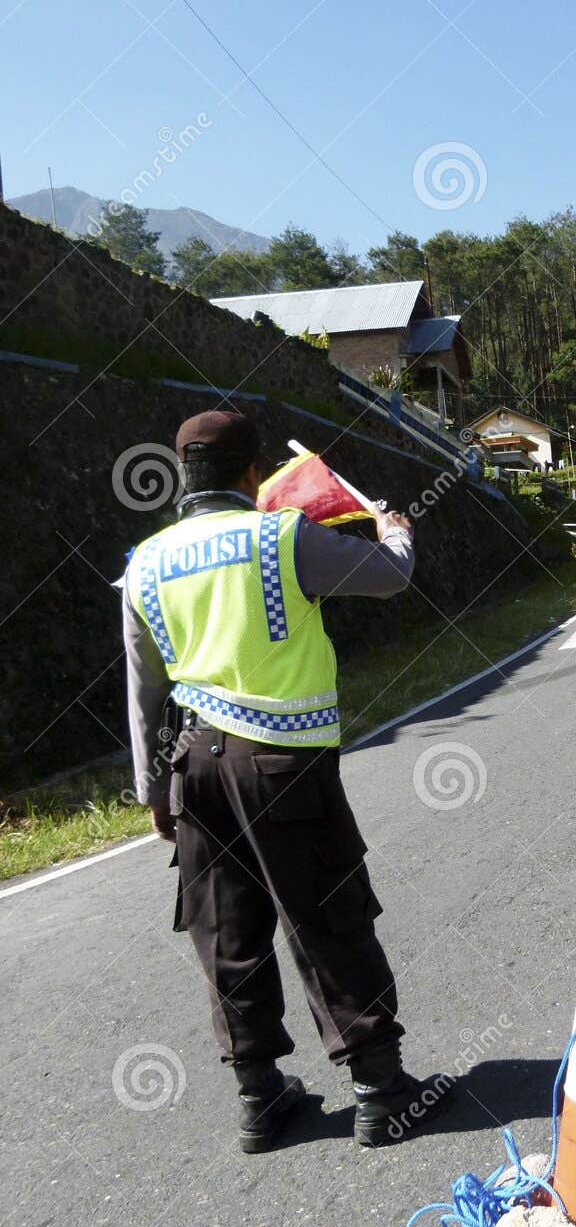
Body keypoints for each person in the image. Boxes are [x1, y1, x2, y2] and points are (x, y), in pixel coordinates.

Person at [122, 410, 454, 1153]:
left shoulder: (144, 562)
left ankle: (260, 1099)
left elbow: (143, 692)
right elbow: (390, 576)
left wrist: (153, 793)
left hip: (194, 767)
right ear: (250, 474)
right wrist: (396, 528)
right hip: (282, 765)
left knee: (227, 929)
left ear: (182, 475)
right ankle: (378, 1087)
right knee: (327, 914)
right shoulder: (278, 536)